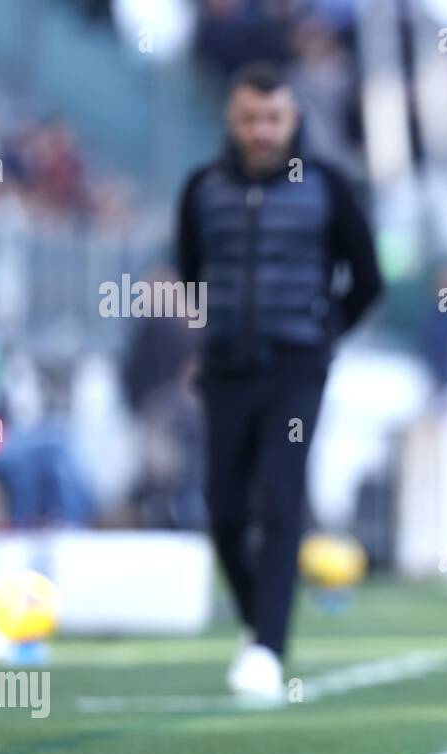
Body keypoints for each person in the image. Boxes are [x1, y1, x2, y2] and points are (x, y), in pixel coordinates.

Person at [176, 61, 382, 700]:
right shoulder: (201, 187)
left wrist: (322, 338)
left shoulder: (327, 186)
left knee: (279, 495)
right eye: (249, 119)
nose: (261, 131)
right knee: (223, 507)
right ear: (231, 120)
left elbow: (368, 279)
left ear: (291, 118)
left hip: (296, 369)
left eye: (272, 118)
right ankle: (253, 622)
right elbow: (191, 273)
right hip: (225, 370)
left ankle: (267, 645)